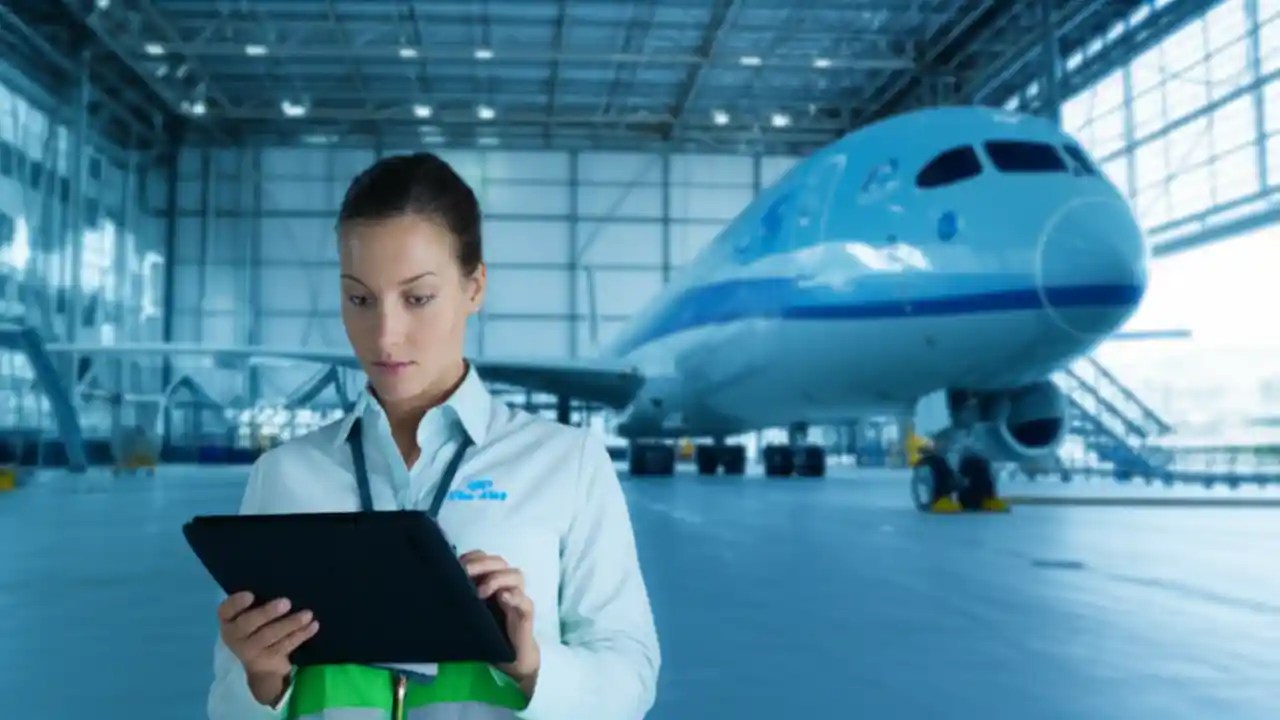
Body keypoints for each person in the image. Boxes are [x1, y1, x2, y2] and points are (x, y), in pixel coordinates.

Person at [206, 152, 661, 719]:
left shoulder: (565, 463)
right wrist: (260, 683)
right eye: (359, 299)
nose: (385, 334)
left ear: (475, 287)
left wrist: (531, 666)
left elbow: (630, 680)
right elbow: (226, 707)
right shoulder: (284, 476)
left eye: (417, 298)